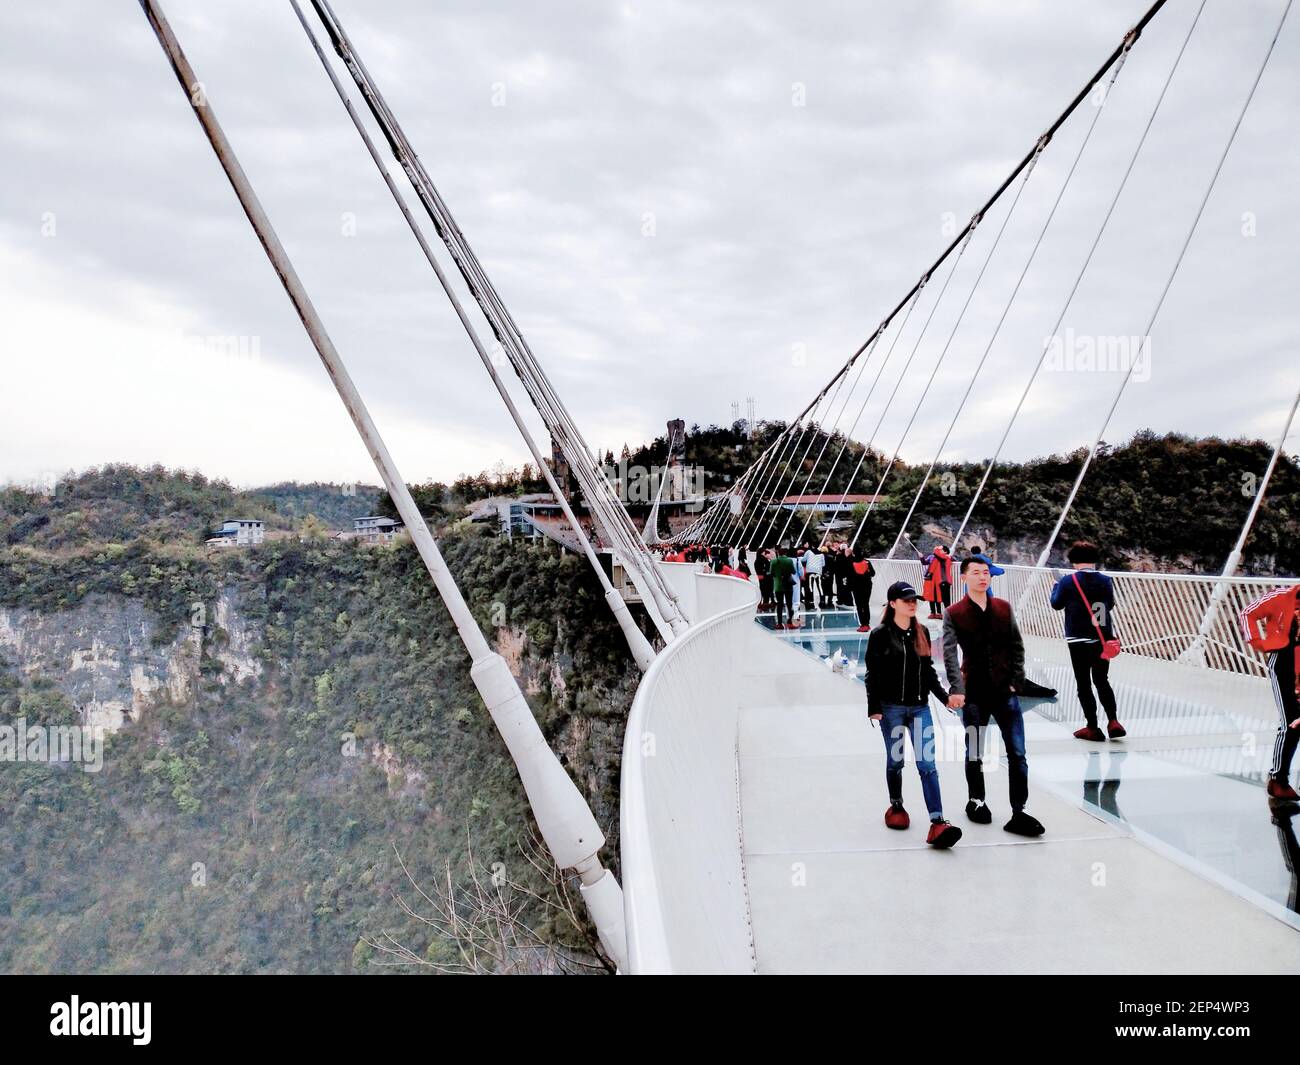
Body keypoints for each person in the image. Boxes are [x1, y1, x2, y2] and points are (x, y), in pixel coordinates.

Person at [943, 556, 1045, 836]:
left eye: (986, 572)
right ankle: (976, 800)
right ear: (963, 577)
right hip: (973, 693)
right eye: (975, 573)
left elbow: (1016, 645)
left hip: (1005, 692)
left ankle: (1019, 810)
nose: (982, 577)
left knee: (1018, 753)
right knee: (975, 750)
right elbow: (950, 655)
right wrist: (957, 688)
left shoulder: (1003, 608)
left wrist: (1017, 681)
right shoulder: (955, 612)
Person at [866, 581, 963, 848]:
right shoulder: (880, 635)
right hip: (891, 708)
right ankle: (896, 806)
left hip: (920, 707)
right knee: (896, 761)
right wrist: (873, 707)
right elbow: (872, 675)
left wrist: (945, 699)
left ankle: (938, 822)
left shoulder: (921, 632)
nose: (912, 604)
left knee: (927, 765)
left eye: (914, 600)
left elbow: (929, 673)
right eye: (906, 600)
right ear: (893, 603)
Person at [1050, 541, 1125, 742]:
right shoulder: (1105, 580)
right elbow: (1106, 606)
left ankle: (1092, 727)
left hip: (1077, 639)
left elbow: (1056, 604)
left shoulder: (1067, 581)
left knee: (1083, 683)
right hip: (1101, 639)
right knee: (1101, 680)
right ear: (1094, 560)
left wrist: (1055, 586)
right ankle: (1113, 721)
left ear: (1073, 560)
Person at [1240, 584, 1300, 801]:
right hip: (1284, 662)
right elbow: (1248, 613)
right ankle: (1278, 779)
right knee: (1290, 721)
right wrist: (1258, 642)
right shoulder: (1282, 596)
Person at [921, 545, 952, 620]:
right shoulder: (933, 557)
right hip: (932, 580)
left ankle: (938, 613)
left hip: (938, 580)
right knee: (932, 596)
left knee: (937, 596)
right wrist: (921, 557)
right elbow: (924, 562)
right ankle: (933, 612)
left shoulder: (945, 558)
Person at [769, 545, 796, 630]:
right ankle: (789, 621)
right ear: (785, 553)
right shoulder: (789, 561)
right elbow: (793, 571)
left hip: (778, 586)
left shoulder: (773, 562)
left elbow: (771, 573)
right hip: (788, 585)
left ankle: (780, 623)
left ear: (778, 553)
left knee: (780, 605)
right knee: (789, 604)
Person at [850, 550, 875, 632]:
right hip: (867, 586)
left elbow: (849, 575)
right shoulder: (867, 562)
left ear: (854, 554)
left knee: (859, 606)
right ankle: (867, 624)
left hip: (856, 587)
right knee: (865, 604)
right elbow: (873, 573)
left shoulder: (852, 562)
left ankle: (863, 624)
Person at [804, 544, 826, 610]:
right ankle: (822, 602)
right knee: (820, 587)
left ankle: (811, 602)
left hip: (810, 571)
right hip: (818, 572)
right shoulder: (821, 554)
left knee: (810, 587)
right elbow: (823, 564)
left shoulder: (808, 552)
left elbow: (804, 559)